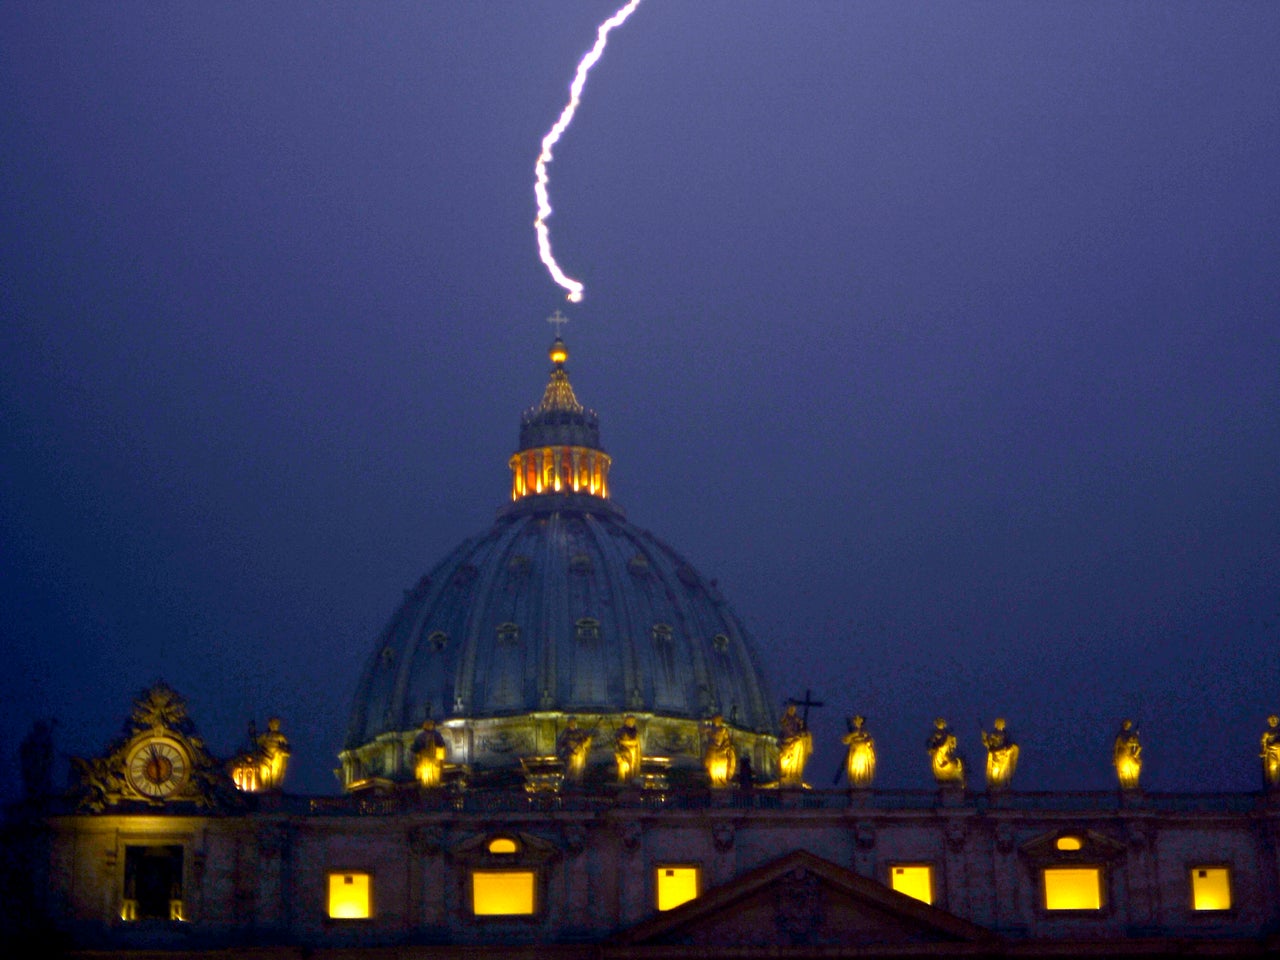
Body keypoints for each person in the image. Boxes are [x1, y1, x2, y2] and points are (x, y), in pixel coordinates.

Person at [777, 703, 813, 787]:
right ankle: (788, 774)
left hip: (795, 741)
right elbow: (783, 725)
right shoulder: (785, 719)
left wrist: (803, 732)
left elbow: (803, 728)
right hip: (787, 741)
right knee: (785, 760)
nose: (792, 710)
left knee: (799, 746)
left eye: (793, 709)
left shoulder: (797, 719)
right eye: (790, 708)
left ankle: (794, 773)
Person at [982, 718, 1019, 790]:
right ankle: (995, 786)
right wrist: (985, 738)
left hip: (1004, 756)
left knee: (1003, 773)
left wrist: (1009, 748)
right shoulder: (993, 734)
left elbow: (1009, 744)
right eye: (999, 723)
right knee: (995, 774)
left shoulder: (1005, 734)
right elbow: (989, 744)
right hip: (995, 755)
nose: (1001, 725)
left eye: (1001, 724)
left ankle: (1003, 785)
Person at [927, 718, 965, 787]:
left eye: (941, 722)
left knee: (952, 764)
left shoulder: (948, 735)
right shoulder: (936, 734)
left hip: (943, 754)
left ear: (944, 724)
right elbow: (930, 744)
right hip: (938, 755)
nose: (940, 724)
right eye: (938, 723)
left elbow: (951, 744)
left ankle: (955, 778)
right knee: (947, 765)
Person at [842, 715, 876, 788]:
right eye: (856, 720)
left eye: (859, 720)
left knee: (863, 770)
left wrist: (867, 741)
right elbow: (845, 740)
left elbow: (870, 741)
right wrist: (855, 734)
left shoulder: (865, 732)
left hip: (863, 752)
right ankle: (855, 784)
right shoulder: (854, 733)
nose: (857, 722)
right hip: (855, 752)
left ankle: (863, 784)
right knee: (855, 770)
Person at [256, 717, 290, 790]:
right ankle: (265, 786)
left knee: (276, 771)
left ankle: (274, 786)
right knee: (264, 771)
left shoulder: (280, 736)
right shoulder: (265, 735)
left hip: (276, 754)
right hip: (265, 754)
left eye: (276, 724)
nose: (274, 726)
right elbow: (257, 742)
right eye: (272, 724)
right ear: (270, 725)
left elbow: (287, 745)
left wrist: (284, 750)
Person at [703, 715, 737, 787]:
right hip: (712, 752)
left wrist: (724, 748)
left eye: (717, 720)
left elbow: (727, 741)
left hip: (721, 753)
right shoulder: (710, 729)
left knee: (721, 771)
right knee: (712, 770)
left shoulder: (723, 730)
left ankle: (721, 782)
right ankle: (715, 782)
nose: (715, 721)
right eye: (714, 719)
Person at [412, 719, 447, 788]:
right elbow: (442, 748)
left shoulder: (421, 736)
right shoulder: (435, 735)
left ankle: (430, 787)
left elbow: (415, 750)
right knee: (429, 780)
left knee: (429, 780)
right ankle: (430, 787)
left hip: (429, 762)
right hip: (428, 762)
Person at [556, 717, 592, 783]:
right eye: (570, 722)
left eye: (573, 722)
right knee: (569, 770)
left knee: (578, 770)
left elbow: (587, 740)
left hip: (579, 754)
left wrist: (585, 742)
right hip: (570, 754)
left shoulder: (580, 731)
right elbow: (560, 743)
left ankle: (577, 782)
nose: (572, 724)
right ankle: (569, 782)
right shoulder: (566, 732)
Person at [1113, 719, 1142, 790]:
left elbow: (1139, 746)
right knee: (1123, 771)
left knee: (1136, 767)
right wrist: (1115, 757)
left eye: (1129, 725)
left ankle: (1134, 784)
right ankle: (1125, 785)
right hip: (1122, 755)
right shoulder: (1120, 735)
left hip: (1129, 754)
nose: (1127, 726)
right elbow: (1116, 747)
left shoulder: (1131, 735)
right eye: (1126, 724)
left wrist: (1135, 754)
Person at [614, 715, 641, 784]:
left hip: (632, 754)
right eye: (630, 721)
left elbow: (636, 742)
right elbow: (617, 744)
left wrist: (624, 742)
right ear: (626, 721)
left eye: (633, 721)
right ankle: (622, 784)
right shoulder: (621, 731)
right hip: (623, 754)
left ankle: (631, 781)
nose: (632, 723)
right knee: (623, 769)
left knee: (631, 771)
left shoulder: (635, 732)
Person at [1260, 715, 1280, 790]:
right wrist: (1263, 750)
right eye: (1271, 720)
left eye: (1275, 720)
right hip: (1271, 752)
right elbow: (1263, 741)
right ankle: (1273, 785)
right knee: (1272, 768)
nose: (1273, 721)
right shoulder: (1267, 732)